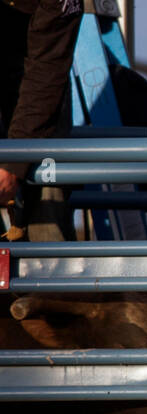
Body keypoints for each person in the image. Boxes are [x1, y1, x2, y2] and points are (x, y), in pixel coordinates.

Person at [0, 0, 81, 240]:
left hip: (37, 97)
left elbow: (47, 70)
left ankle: (49, 271)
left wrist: (13, 165)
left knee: (46, 225)